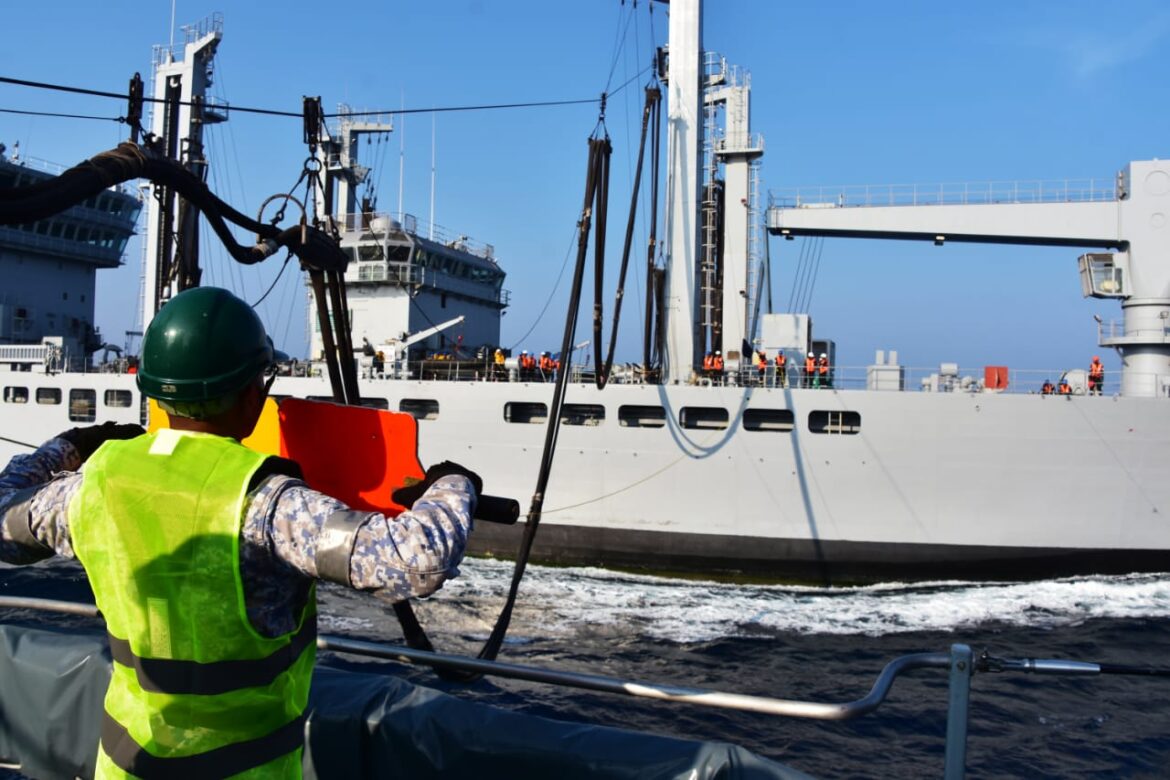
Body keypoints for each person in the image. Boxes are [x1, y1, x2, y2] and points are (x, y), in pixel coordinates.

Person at [0, 287, 480, 778]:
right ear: (252, 391)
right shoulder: (265, 505)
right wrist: (452, 484)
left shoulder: (91, 489)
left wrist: (69, 446)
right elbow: (414, 561)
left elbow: (4, 520)